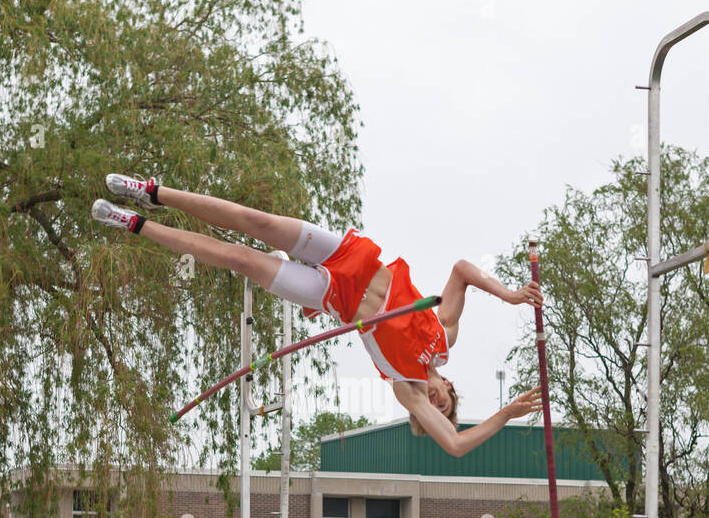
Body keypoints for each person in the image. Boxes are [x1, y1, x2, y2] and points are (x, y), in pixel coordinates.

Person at [92, 175, 545, 457]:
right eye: (446, 401)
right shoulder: (445, 335)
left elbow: (458, 445)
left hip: (333, 295)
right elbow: (463, 270)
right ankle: (153, 192)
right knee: (258, 221)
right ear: (447, 384)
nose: (440, 406)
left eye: (437, 411)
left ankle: (133, 223)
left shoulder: (409, 391)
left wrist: (506, 413)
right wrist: (509, 296)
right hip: (352, 256)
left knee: (241, 259)